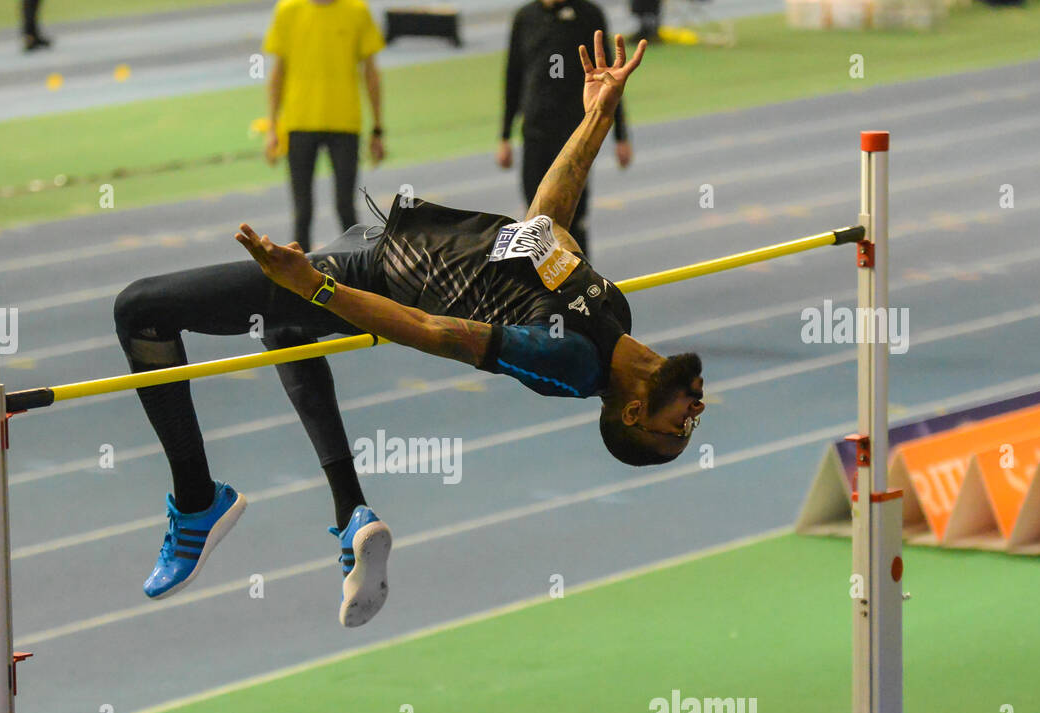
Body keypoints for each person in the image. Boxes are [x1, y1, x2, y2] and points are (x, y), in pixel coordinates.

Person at [113, 33, 704, 629]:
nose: (694, 408)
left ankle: (195, 504)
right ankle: (351, 514)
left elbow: (435, 332)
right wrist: (597, 116)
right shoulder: (615, 314)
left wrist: (317, 288)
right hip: (373, 245)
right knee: (282, 330)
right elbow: (544, 224)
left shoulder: (573, 363)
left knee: (140, 310)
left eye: (678, 426)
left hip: (370, 273)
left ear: (632, 413)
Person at [499, 0, 631, 258]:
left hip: (576, 135)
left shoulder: (589, 14)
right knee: (534, 219)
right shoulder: (525, 18)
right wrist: (504, 136)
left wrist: (620, 136)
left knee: (574, 218)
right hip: (535, 133)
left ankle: (580, 283)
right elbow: (513, 76)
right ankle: (539, 288)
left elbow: (611, 82)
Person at [262, 0, 386, 252]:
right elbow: (278, 73)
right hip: (299, 123)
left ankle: (360, 274)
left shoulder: (357, 11)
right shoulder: (288, 10)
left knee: (345, 207)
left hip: (345, 124)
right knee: (302, 211)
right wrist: (272, 128)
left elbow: (371, 74)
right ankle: (299, 280)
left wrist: (377, 129)